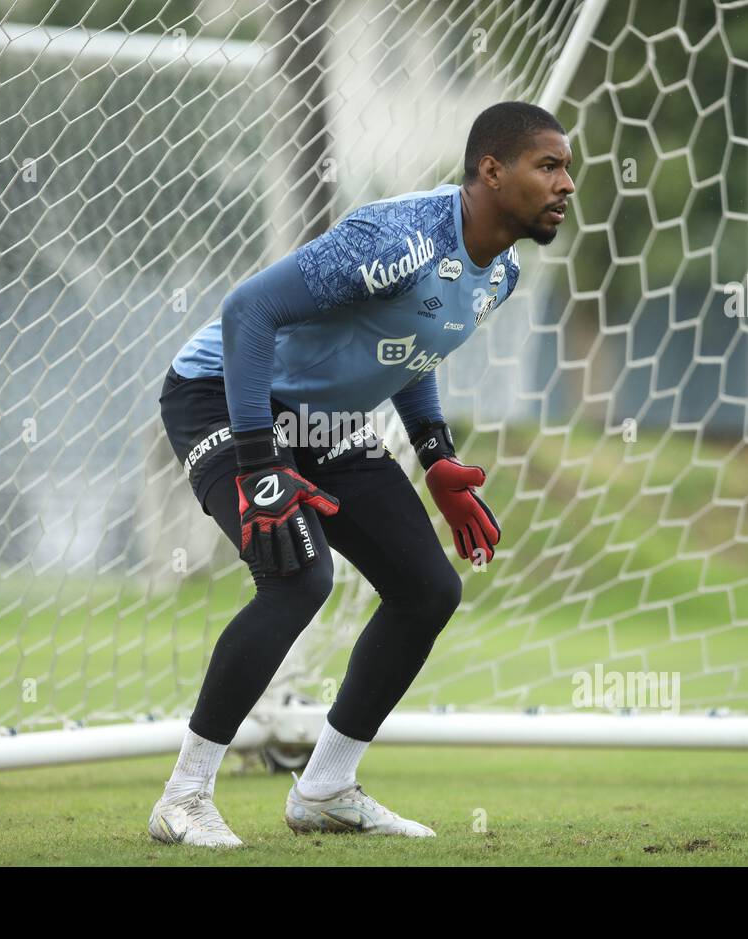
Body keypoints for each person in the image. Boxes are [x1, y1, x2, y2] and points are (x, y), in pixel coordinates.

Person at [150, 101, 575, 846]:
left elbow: (408, 353)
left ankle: (325, 789)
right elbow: (248, 312)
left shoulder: (499, 271)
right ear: (491, 170)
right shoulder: (396, 237)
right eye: (550, 166)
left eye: (567, 168)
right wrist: (258, 463)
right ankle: (182, 798)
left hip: (324, 423)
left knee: (427, 589)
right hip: (225, 397)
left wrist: (436, 453)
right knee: (296, 577)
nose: (567, 183)